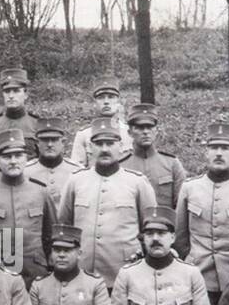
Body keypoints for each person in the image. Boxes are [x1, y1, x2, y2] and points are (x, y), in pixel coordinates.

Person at [57, 119, 157, 289]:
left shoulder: (137, 182)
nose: (104, 149)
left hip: (124, 273)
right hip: (83, 274)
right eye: (99, 144)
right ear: (90, 148)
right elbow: (64, 226)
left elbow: (150, 228)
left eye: (110, 143)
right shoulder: (76, 181)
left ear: (121, 146)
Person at [174, 121, 229, 305]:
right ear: (206, 153)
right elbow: (180, 235)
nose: (219, 153)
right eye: (214, 147)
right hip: (199, 272)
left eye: (225, 148)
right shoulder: (189, 188)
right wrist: (190, 259)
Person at [0, 128, 56, 286]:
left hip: (36, 273)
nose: (13, 161)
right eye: (7, 156)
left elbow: (51, 234)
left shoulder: (41, 190)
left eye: (18, 155)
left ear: (26, 158)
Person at [119, 103, 187, 209]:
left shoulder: (172, 164)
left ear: (156, 130)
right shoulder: (121, 167)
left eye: (150, 127)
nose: (146, 132)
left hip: (165, 223)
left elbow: (181, 203)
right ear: (130, 132)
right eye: (140, 127)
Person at [0, 67, 40, 165]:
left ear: (26, 94)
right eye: (7, 91)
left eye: (16, 91)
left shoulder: (36, 124)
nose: (11, 96)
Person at [71, 77, 130, 166]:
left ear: (119, 101)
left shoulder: (130, 132)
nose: (106, 102)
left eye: (111, 97)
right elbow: (77, 170)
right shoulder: (84, 134)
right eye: (101, 98)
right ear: (94, 103)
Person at [26, 117, 81, 211]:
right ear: (37, 143)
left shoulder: (77, 171)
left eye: (54, 139)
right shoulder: (25, 171)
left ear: (63, 142)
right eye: (45, 140)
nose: (50, 144)